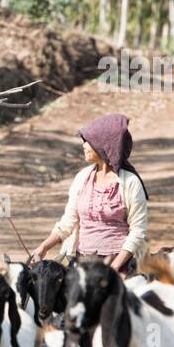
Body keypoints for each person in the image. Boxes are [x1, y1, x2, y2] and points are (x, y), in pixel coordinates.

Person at [31, 112, 148, 275]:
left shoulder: (130, 182)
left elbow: (138, 230)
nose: (84, 146)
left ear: (104, 145)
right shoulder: (82, 178)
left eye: (88, 142)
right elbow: (67, 223)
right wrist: (43, 247)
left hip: (120, 266)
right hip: (82, 263)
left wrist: (113, 269)